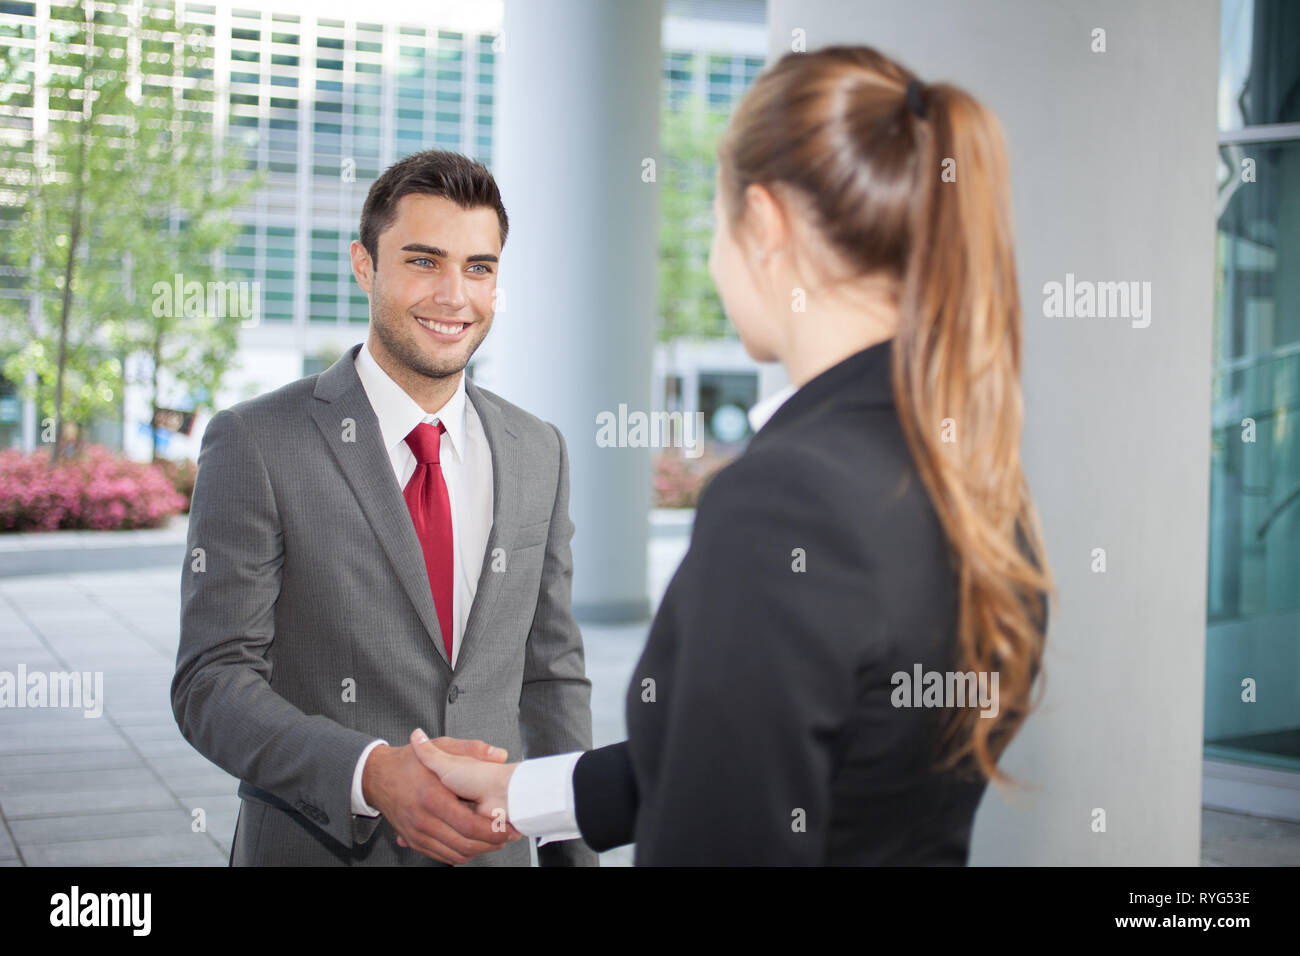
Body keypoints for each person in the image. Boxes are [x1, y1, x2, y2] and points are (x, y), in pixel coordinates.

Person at [407, 46, 1054, 865]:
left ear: (765, 224)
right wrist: (522, 793)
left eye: (716, 221)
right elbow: (763, 754)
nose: (715, 258)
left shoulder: (788, 500)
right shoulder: (971, 475)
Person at [172, 149, 597, 867]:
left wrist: (572, 857)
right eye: (424, 261)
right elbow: (210, 682)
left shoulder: (538, 449)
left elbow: (551, 676)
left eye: (479, 268)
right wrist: (368, 773)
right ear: (364, 266)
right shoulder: (257, 441)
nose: (454, 296)